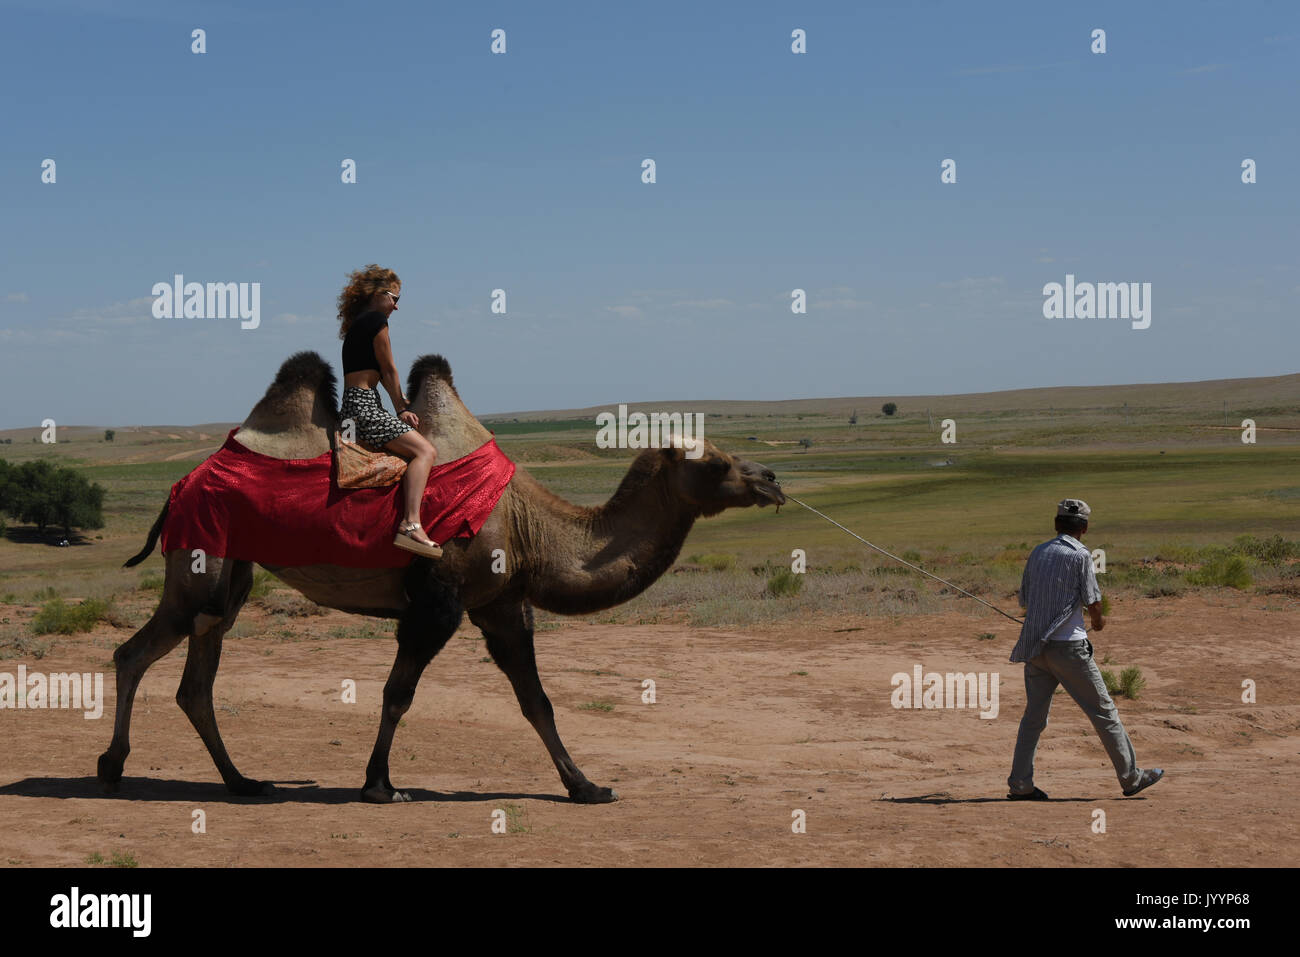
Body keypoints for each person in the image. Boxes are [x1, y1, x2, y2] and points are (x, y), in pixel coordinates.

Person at [1006, 499, 1163, 800]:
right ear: (1085, 528)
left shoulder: (1038, 552)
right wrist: (1099, 621)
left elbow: (1024, 598)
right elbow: (1093, 600)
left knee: (1033, 719)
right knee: (1104, 712)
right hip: (1069, 650)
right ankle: (1131, 778)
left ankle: (1020, 784)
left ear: (1056, 524)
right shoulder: (1081, 555)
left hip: (1036, 649)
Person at [337, 264, 442, 559]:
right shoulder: (375, 320)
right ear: (377, 294)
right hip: (364, 406)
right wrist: (402, 408)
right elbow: (389, 369)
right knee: (426, 452)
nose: (396, 307)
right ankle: (411, 524)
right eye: (394, 298)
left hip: (355, 404)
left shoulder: (359, 323)